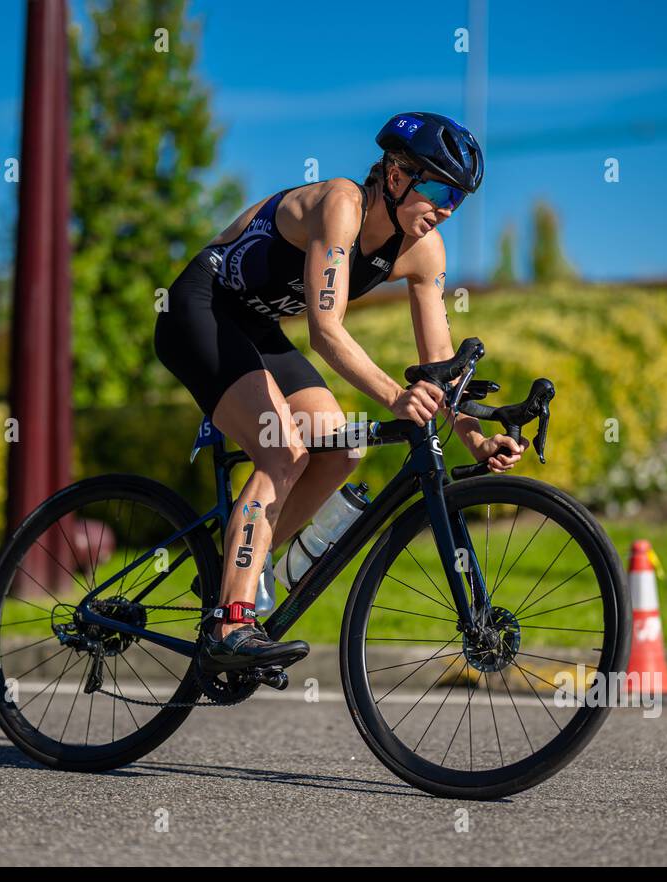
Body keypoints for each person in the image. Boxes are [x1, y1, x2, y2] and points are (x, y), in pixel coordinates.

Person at [154, 112, 522, 674]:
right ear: (397, 175)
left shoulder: (426, 252)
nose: (447, 208)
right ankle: (230, 622)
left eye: (460, 198)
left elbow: (437, 369)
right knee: (283, 450)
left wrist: (474, 436)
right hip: (201, 309)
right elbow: (326, 332)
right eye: (440, 189)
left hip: (257, 329)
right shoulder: (342, 205)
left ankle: (247, 577)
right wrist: (394, 397)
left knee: (341, 446)